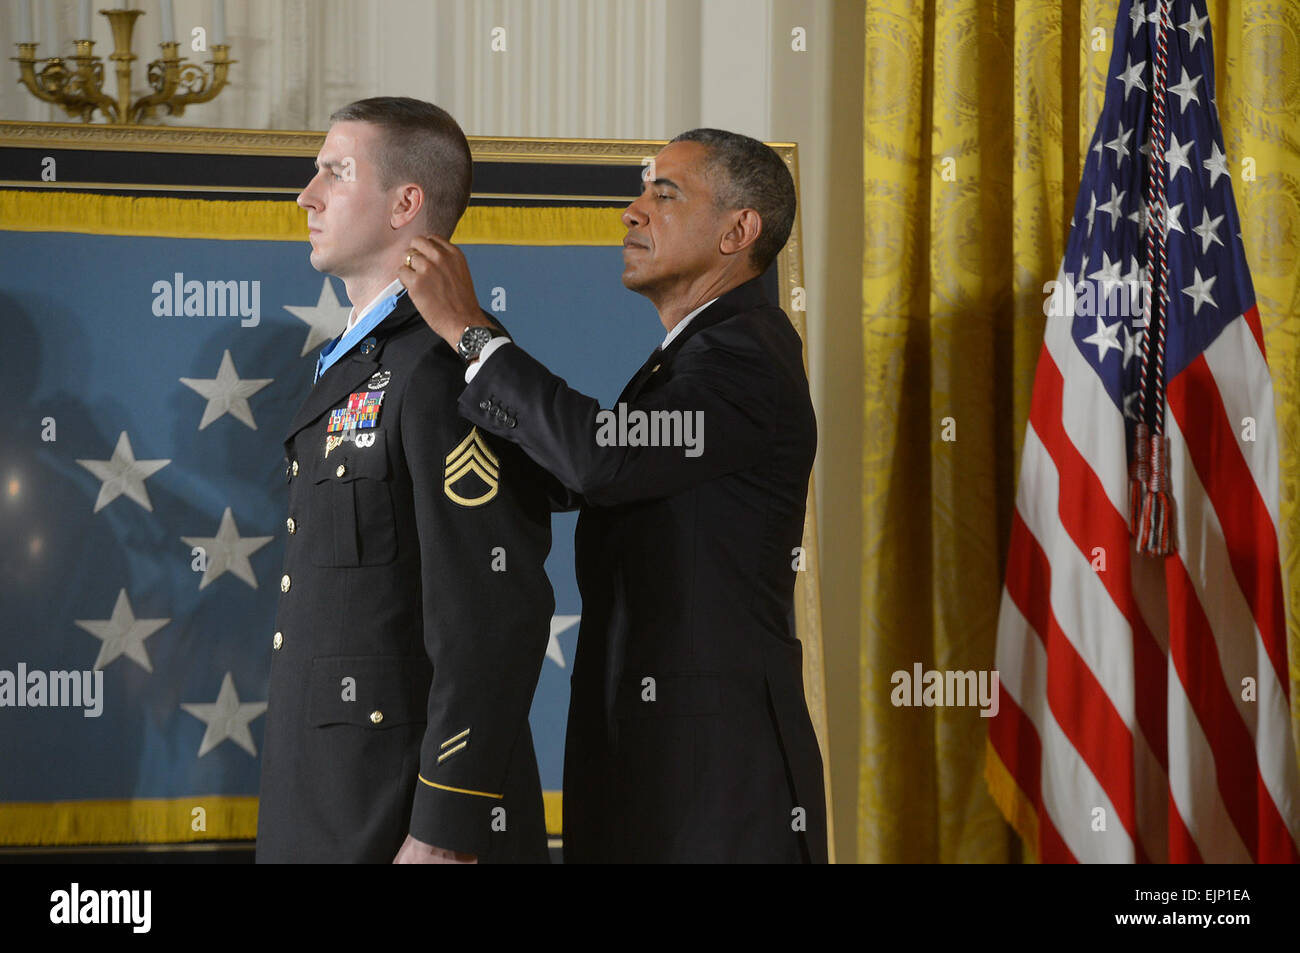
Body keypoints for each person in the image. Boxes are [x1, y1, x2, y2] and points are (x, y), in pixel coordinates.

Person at [399, 128, 828, 863]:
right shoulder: (691, 357)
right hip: (650, 772)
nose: (633, 210)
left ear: (739, 230)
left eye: (666, 193)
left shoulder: (745, 358)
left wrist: (469, 333)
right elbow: (575, 471)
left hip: (718, 794)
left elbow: (601, 457)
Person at [255, 97, 554, 864]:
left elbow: (491, 609)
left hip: (403, 818)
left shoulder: (443, 365)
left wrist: (447, 825)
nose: (306, 195)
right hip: (327, 797)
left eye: (334, 172)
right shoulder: (357, 363)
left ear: (405, 204)